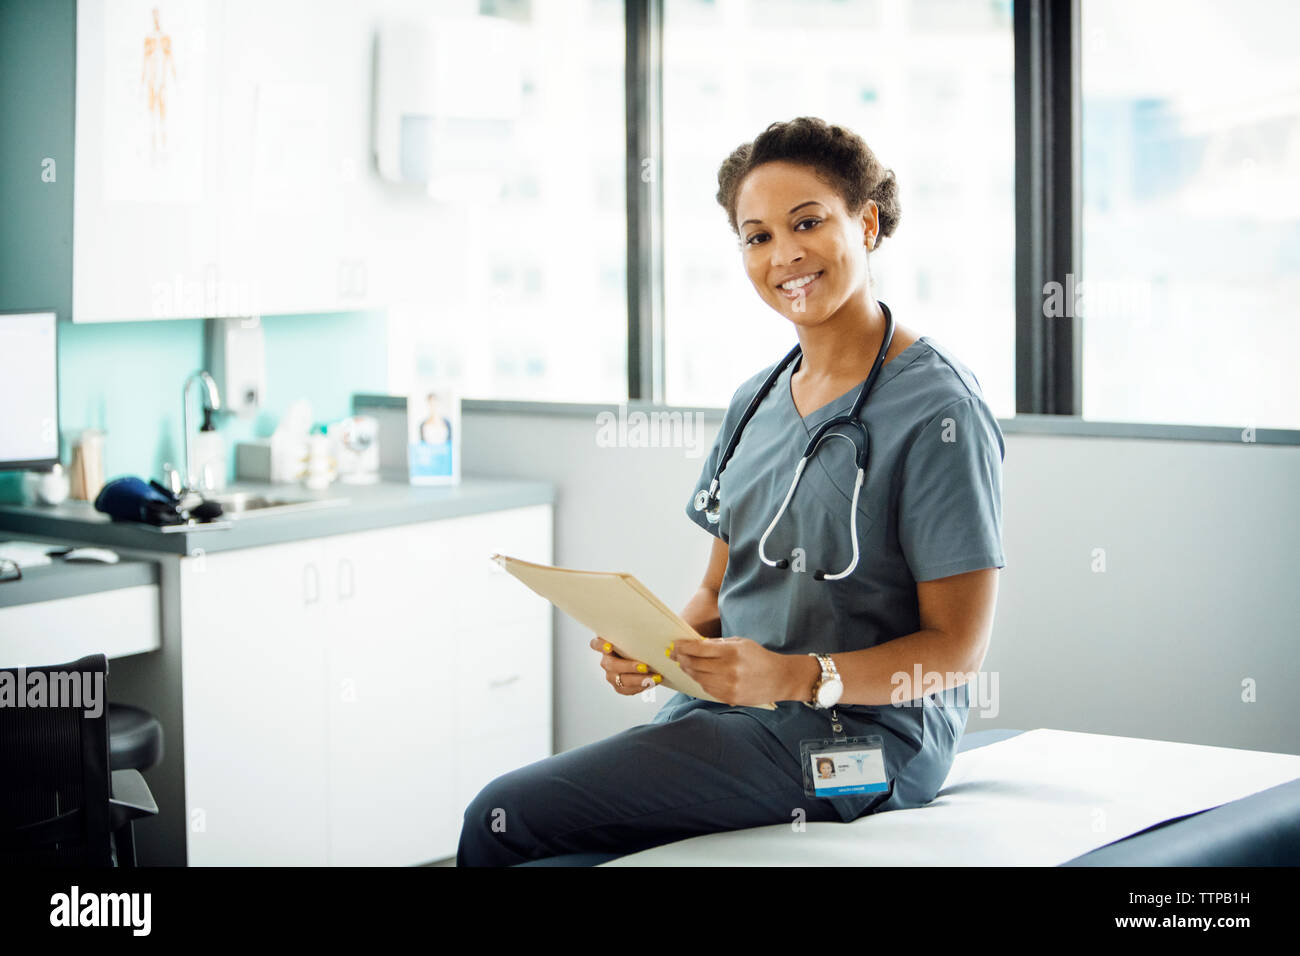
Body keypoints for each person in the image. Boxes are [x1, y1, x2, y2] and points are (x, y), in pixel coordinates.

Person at [457, 116, 1005, 867]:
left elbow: (957, 651)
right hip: (734, 714)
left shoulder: (940, 410)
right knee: (559, 854)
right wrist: (657, 650)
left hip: (870, 740)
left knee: (500, 815)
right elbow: (718, 592)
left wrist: (795, 677)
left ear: (867, 221)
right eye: (757, 237)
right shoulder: (756, 401)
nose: (784, 255)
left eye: (807, 222)